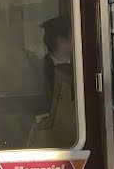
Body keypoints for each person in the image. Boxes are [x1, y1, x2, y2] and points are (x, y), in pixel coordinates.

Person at [27, 16, 78, 149]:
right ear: (61, 41)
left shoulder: (82, 67)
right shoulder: (38, 72)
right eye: (73, 35)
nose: (78, 40)